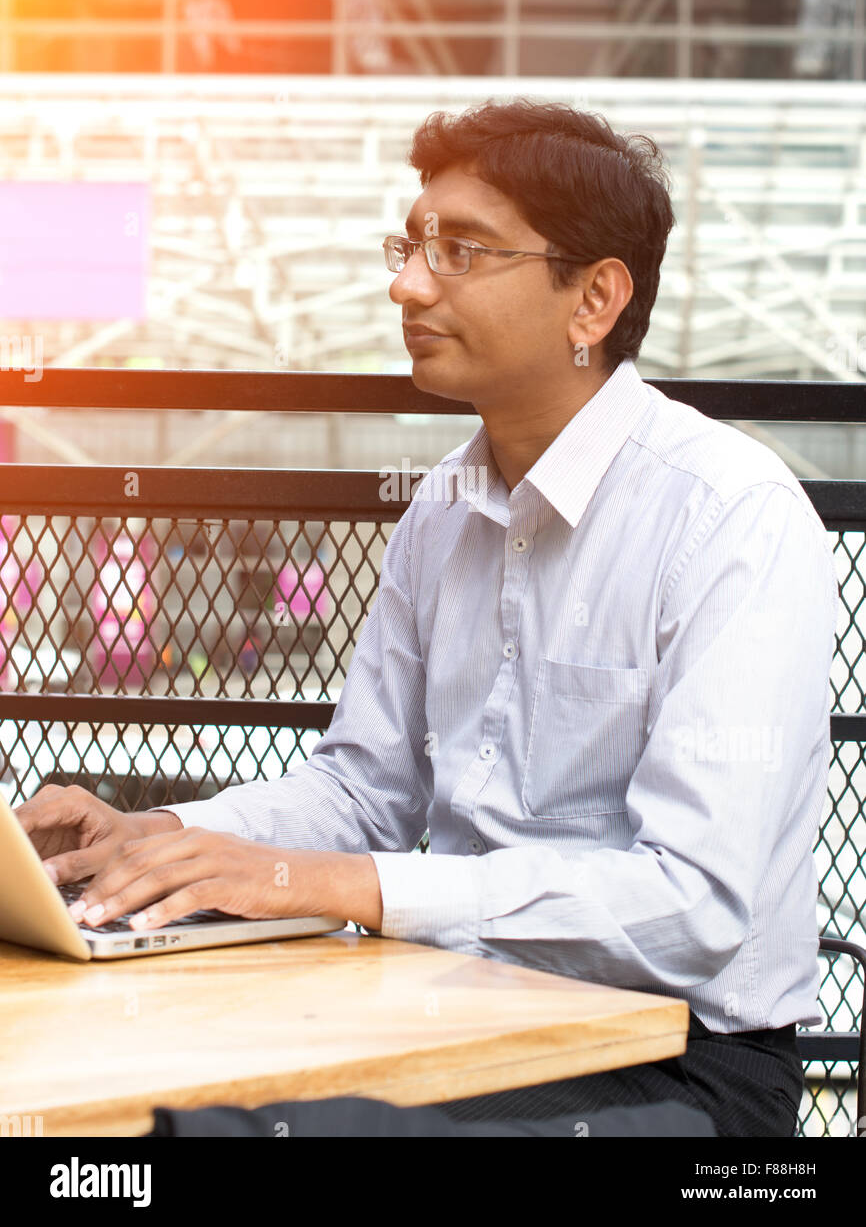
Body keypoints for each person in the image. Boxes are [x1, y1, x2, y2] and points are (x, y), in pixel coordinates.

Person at [16, 98, 838, 1138]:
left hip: (674, 1066)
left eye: (460, 251)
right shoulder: (440, 508)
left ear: (592, 300)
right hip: (447, 1013)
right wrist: (165, 839)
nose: (404, 284)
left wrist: (335, 883)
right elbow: (362, 790)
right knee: (118, 1070)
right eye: (409, 246)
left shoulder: (729, 517)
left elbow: (692, 908)